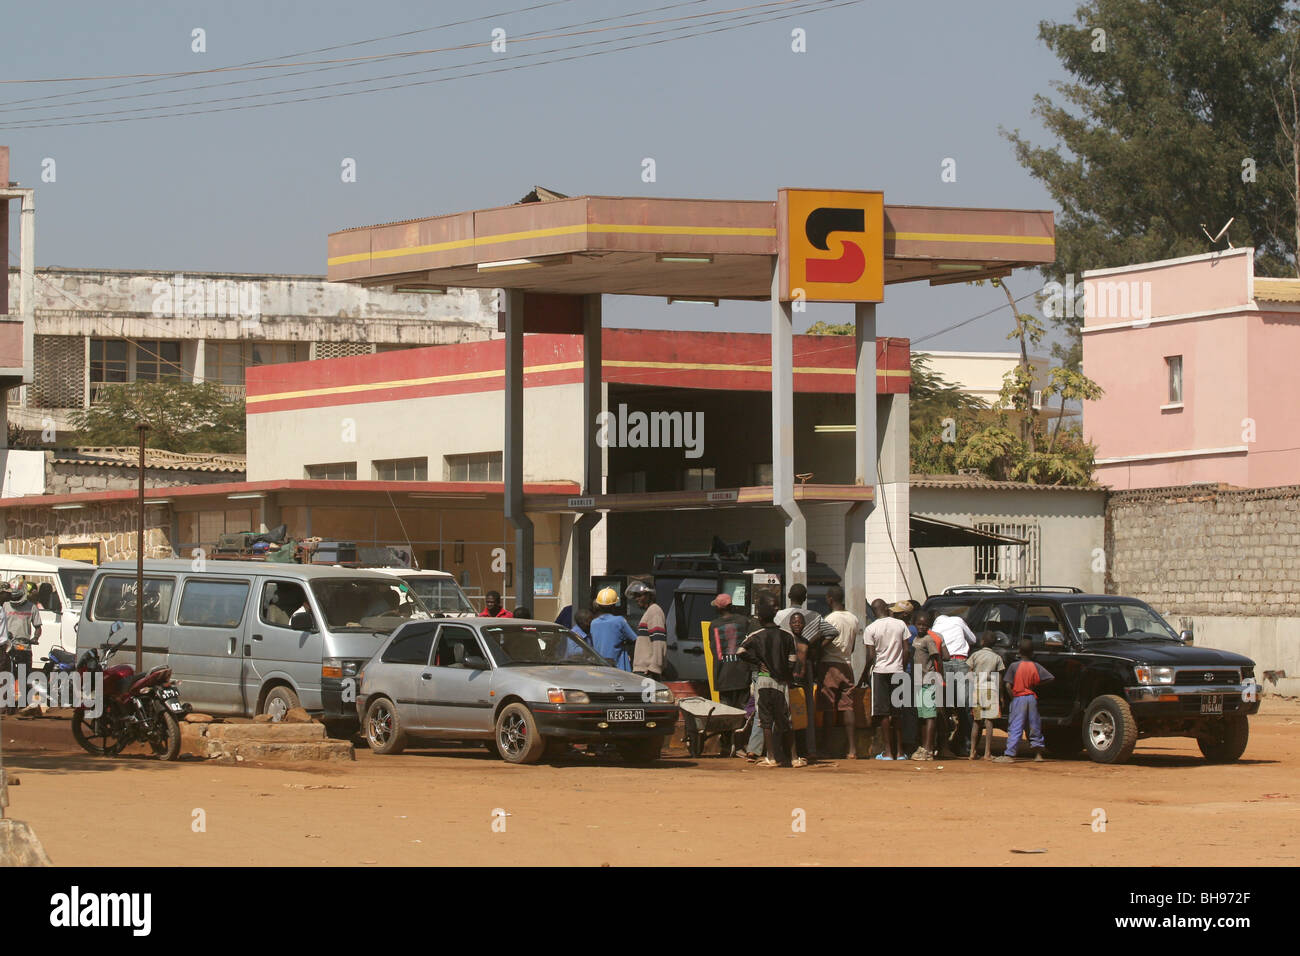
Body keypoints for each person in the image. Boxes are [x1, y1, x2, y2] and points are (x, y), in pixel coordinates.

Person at [737, 596, 805, 768]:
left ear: (759, 618)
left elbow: (740, 651)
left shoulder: (755, 635)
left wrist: (758, 663)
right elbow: (792, 660)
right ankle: (794, 757)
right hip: (781, 683)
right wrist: (784, 671)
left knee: (765, 720)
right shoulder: (787, 636)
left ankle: (771, 757)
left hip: (763, 681)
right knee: (786, 719)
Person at [862, 601, 910, 760]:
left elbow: (870, 656)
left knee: (883, 713)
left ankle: (888, 752)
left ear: (874, 611)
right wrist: (902, 667)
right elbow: (906, 650)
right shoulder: (900, 624)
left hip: (880, 672)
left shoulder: (871, 628)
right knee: (897, 713)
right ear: (886, 609)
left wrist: (863, 674)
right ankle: (900, 752)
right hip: (897, 671)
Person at [995, 638, 1054, 763]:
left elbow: (1007, 685)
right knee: (1034, 726)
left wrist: (1013, 697)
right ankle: (1038, 755)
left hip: (1019, 697)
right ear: (1032, 652)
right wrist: (1035, 683)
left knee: (1016, 726)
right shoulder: (1035, 665)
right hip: (1031, 698)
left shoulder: (1014, 666)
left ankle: (1010, 754)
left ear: (1019, 652)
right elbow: (1050, 678)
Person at [707, 594, 753, 757]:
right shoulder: (744, 621)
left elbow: (714, 649)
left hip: (723, 675)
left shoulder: (713, 625)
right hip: (742, 673)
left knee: (726, 712)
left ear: (719, 608)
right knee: (743, 712)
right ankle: (740, 745)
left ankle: (726, 746)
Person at [818, 586, 861, 759]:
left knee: (829, 705)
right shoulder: (853, 618)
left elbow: (824, 643)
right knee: (847, 705)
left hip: (829, 664)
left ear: (829, 599)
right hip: (846, 663)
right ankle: (852, 749)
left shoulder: (830, 619)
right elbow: (853, 646)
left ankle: (826, 748)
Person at [932, 611, 978, 756]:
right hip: (960, 662)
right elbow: (973, 639)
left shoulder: (934, 628)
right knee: (965, 705)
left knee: (944, 705)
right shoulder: (957, 620)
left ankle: (943, 745)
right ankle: (967, 746)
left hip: (943, 664)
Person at [909, 609, 945, 761]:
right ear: (915, 624)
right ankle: (924, 746)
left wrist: (940, 678)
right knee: (923, 715)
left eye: (925, 625)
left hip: (929, 680)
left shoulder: (929, 640)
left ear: (929, 625)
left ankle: (929, 749)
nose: (922, 627)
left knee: (930, 715)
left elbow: (938, 659)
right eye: (919, 624)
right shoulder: (916, 638)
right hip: (919, 681)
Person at [968, 631, 1006, 760]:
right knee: (989, 722)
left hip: (977, 690)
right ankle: (987, 753)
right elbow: (1000, 679)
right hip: (991, 690)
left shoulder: (975, 655)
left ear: (982, 642)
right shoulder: (997, 658)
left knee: (976, 722)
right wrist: (1001, 696)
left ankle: (972, 751)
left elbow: (969, 672)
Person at [1, 577, 41, 688]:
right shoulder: (5, 605)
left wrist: (35, 638)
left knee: (25, 676)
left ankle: (25, 701)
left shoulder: (32, 607)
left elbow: (38, 627)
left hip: (25, 647)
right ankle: (8, 701)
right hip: (8, 647)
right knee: (7, 677)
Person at [588, 587, 636, 671]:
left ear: (598, 605)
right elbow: (635, 639)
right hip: (618, 668)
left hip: (599, 667)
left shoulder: (593, 623)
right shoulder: (619, 621)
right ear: (614, 605)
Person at [627, 581, 667, 681]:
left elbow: (659, 641)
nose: (637, 599)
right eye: (635, 596)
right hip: (643, 670)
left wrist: (655, 667)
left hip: (647, 671)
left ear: (650, 595)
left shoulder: (654, 611)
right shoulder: (649, 612)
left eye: (639, 595)